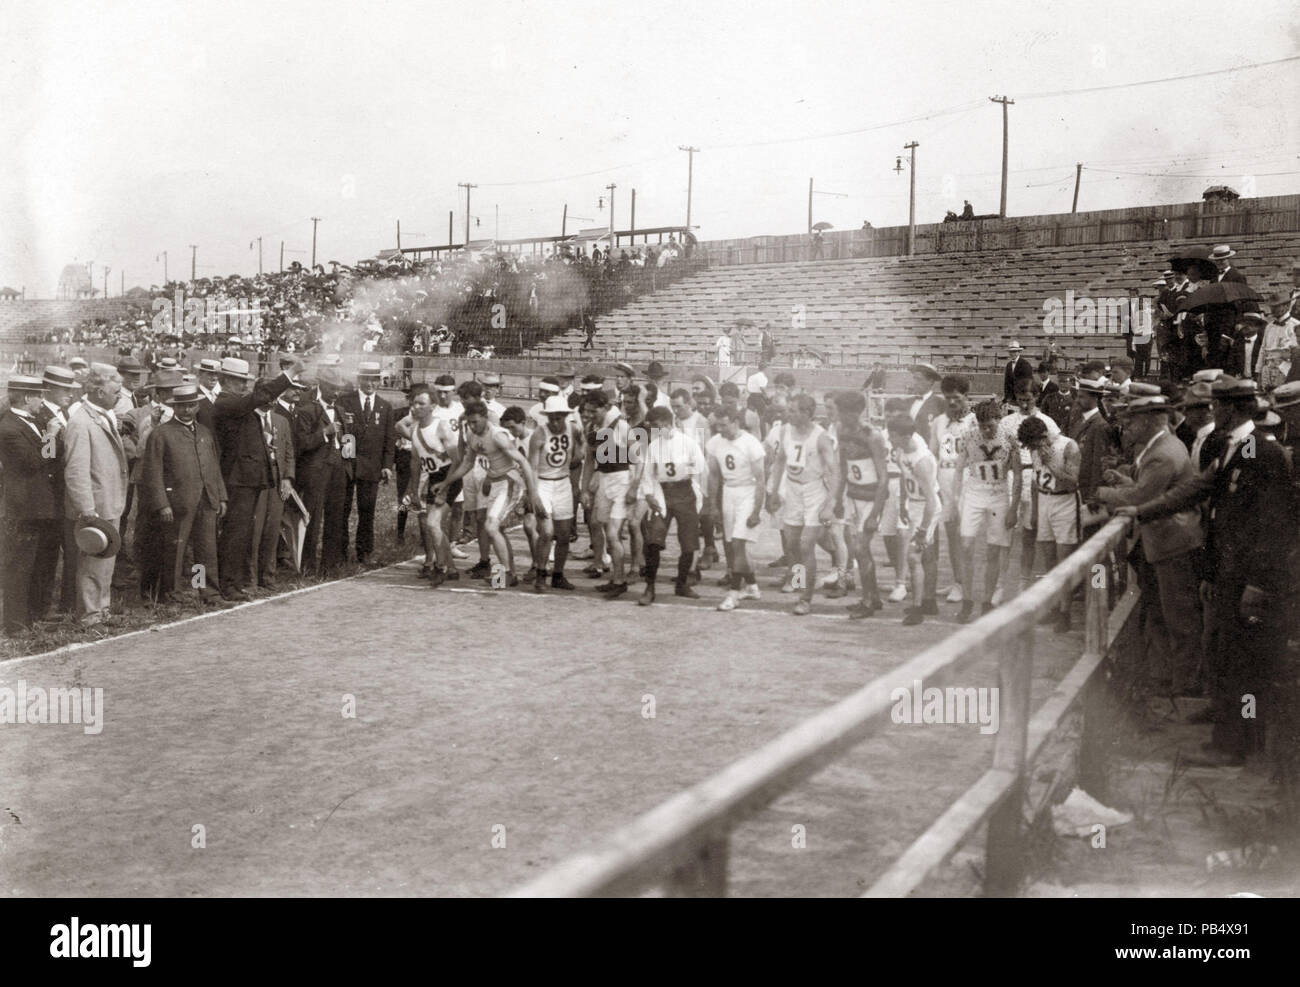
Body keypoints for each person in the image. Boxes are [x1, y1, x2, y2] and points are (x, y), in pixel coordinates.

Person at [1115, 377, 1292, 767]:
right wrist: (1141, 512)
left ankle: (1239, 743)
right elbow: (1197, 489)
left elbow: (1273, 527)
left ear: (1232, 409)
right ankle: (1230, 730)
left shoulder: (1264, 453)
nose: (1213, 413)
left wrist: (1258, 583)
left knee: (1245, 662)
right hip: (1229, 572)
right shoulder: (1238, 448)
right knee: (1227, 655)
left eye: (1218, 407)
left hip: (1249, 578)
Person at [1096, 394, 1204, 698]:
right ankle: (1168, 680)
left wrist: (1102, 491)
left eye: (1132, 419)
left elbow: (1140, 499)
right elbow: (1148, 489)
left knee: (1177, 618)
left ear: (1147, 420)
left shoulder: (1162, 453)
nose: (1127, 425)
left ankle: (1183, 687)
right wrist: (1122, 479)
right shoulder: (1162, 446)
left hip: (1172, 543)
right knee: (1164, 614)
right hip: (1166, 540)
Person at [213, 356, 299, 600]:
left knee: (243, 533)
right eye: (239, 381)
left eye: (244, 381)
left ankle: (235, 581)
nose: (244, 385)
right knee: (235, 534)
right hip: (238, 480)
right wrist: (289, 374)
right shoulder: (226, 402)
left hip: (249, 479)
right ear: (226, 380)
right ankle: (228, 585)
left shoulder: (236, 403)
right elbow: (259, 397)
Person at [434, 399, 543, 588]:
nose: (472, 425)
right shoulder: (472, 435)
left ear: (485, 418)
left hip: (509, 482)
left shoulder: (498, 436)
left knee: (491, 526)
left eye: (476, 421)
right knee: (495, 529)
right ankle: (508, 575)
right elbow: (467, 464)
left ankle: (506, 574)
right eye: (469, 422)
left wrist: (532, 493)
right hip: (495, 482)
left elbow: (524, 463)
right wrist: (445, 483)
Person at [137, 383, 226, 605]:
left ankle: (205, 591)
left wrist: (221, 496)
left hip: (206, 500)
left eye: (191, 405)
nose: (187, 410)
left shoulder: (205, 433)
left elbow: (214, 467)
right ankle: (172, 594)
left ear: (197, 406)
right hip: (178, 503)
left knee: (205, 550)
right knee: (175, 550)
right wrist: (162, 504)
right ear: (174, 408)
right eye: (182, 406)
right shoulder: (161, 434)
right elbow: (153, 472)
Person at [62, 363, 130, 628]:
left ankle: (102, 610)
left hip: (110, 502)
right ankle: (90, 616)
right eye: (115, 391)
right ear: (99, 391)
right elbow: (76, 470)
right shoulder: (80, 422)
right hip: (95, 507)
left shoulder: (104, 416)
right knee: (92, 563)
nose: (119, 395)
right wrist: (86, 508)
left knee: (105, 563)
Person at [766, 393, 840, 616]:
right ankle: (800, 582)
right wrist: (775, 491)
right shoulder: (784, 431)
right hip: (792, 489)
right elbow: (779, 462)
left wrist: (830, 503)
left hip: (813, 490)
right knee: (792, 543)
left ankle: (806, 598)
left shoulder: (821, 437)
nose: (788, 414)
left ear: (807, 414)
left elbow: (835, 472)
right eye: (788, 409)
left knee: (806, 544)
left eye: (793, 410)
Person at [0, 375, 62, 635]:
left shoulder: (31, 421)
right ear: (27, 398)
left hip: (42, 506)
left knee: (41, 563)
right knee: (20, 567)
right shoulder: (9, 428)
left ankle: (36, 614)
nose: (43, 401)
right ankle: (15, 624)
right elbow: (34, 462)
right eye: (40, 396)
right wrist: (51, 435)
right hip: (24, 508)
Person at [631, 405, 707, 605]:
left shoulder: (688, 443)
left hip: (685, 492)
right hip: (662, 493)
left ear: (667, 422)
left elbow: (699, 467)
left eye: (656, 425)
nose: (655, 429)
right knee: (653, 542)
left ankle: (682, 583)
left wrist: (693, 485)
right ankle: (650, 587)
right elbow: (647, 474)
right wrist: (648, 495)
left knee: (688, 543)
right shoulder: (654, 446)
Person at [952, 399, 1019, 621]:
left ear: (998, 420)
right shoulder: (969, 435)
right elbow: (959, 468)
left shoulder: (1009, 437)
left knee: (993, 550)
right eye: (982, 425)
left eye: (990, 425)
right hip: (974, 492)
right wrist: (955, 500)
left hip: (999, 493)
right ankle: (967, 600)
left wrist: (1014, 507)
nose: (985, 430)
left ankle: (988, 601)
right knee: (966, 545)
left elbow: (1018, 474)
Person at [1017, 415, 1081, 632]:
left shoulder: (1068, 446)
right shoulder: (1035, 449)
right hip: (1044, 500)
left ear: (1044, 436)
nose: (1034, 448)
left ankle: (1065, 612)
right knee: (1048, 560)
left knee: (1064, 560)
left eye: (1035, 444)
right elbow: (1036, 482)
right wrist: (1035, 512)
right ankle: (1054, 606)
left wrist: (1051, 464)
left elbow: (1072, 481)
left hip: (1065, 501)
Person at [830, 390, 889, 619]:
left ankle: (867, 601)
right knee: (861, 551)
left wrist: (875, 513)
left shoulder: (872, 435)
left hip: (872, 498)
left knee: (860, 550)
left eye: (845, 412)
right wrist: (838, 500)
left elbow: (883, 477)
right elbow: (844, 467)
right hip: (854, 498)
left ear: (857, 411)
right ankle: (873, 597)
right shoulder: (841, 429)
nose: (841, 416)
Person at [398, 387, 461, 587]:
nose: (415, 407)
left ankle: (440, 567)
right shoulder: (415, 430)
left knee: (433, 523)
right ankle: (451, 568)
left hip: (450, 476)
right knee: (433, 525)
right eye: (414, 403)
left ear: (432, 407)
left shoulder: (441, 427)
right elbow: (415, 463)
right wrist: (414, 491)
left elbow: (457, 461)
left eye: (421, 404)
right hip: (434, 478)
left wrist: (444, 487)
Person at [707, 404, 767, 612]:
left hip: (748, 492)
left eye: (724, 425)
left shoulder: (751, 443)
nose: (720, 429)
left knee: (740, 544)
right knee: (732, 545)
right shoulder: (715, 442)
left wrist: (756, 511)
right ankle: (752, 587)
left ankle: (733, 594)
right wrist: (713, 504)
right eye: (717, 425)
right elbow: (714, 475)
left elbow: (761, 480)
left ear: (736, 422)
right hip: (729, 493)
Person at [884, 412, 941, 625]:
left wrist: (923, 530)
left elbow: (932, 502)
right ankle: (929, 601)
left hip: (927, 507)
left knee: (913, 557)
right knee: (925, 557)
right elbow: (903, 478)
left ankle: (917, 608)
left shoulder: (921, 461)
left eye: (893, 435)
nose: (890, 439)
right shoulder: (902, 449)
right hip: (914, 504)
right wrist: (902, 504)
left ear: (905, 436)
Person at [338, 361, 395, 567]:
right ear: (359, 380)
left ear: (379, 381)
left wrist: (387, 465)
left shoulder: (385, 407)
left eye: (374, 379)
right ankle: (339, 552)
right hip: (347, 465)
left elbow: (389, 440)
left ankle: (364, 552)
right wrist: (348, 459)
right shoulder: (345, 402)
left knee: (367, 510)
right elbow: (343, 433)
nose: (370, 383)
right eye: (366, 379)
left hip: (372, 467)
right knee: (342, 510)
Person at [294, 367, 350, 577]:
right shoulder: (308, 410)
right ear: (322, 386)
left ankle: (330, 564)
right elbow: (302, 443)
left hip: (338, 470)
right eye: (332, 388)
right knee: (313, 519)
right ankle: (308, 566)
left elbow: (347, 441)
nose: (336, 393)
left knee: (336, 517)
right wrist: (324, 433)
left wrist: (348, 462)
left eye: (338, 389)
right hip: (316, 472)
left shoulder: (342, 412)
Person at [527, 393, 584, 592]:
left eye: (558, 417)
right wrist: (534, 496)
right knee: (546, 532)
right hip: (543, 483)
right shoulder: (539, 434)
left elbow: (581, 453)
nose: (554, 421)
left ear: (564, 415)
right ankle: (541, 573)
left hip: (563, 483)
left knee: (564, 534)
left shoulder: (574, 429)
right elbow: (531, 468)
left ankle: (558, 575)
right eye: (551, 417)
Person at [930, 375, 975, 608]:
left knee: (965, 535)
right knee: (950, 533)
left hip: (966, 479)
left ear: (967, 397)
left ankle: (965, 583)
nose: (952, 402)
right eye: (948, 398)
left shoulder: (974, 422)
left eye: (956, 398)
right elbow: (932, 454)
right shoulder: (938, 421)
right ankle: (957, 580)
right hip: (944, 478)